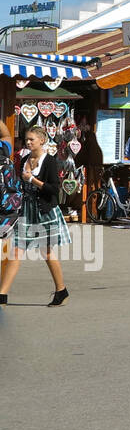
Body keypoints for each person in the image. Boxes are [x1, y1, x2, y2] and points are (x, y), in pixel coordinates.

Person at [0, 127, 71, 307]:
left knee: (46, 252)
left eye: (32, 139)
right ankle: (2, 296)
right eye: (26, 139)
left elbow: (55, 189)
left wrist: (32, 179)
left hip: (44, 211)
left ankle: (61, 290)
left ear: (42, 140)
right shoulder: (24, 159)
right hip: (26, 210)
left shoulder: (49, 161)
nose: (28, 142)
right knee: (16, 251)